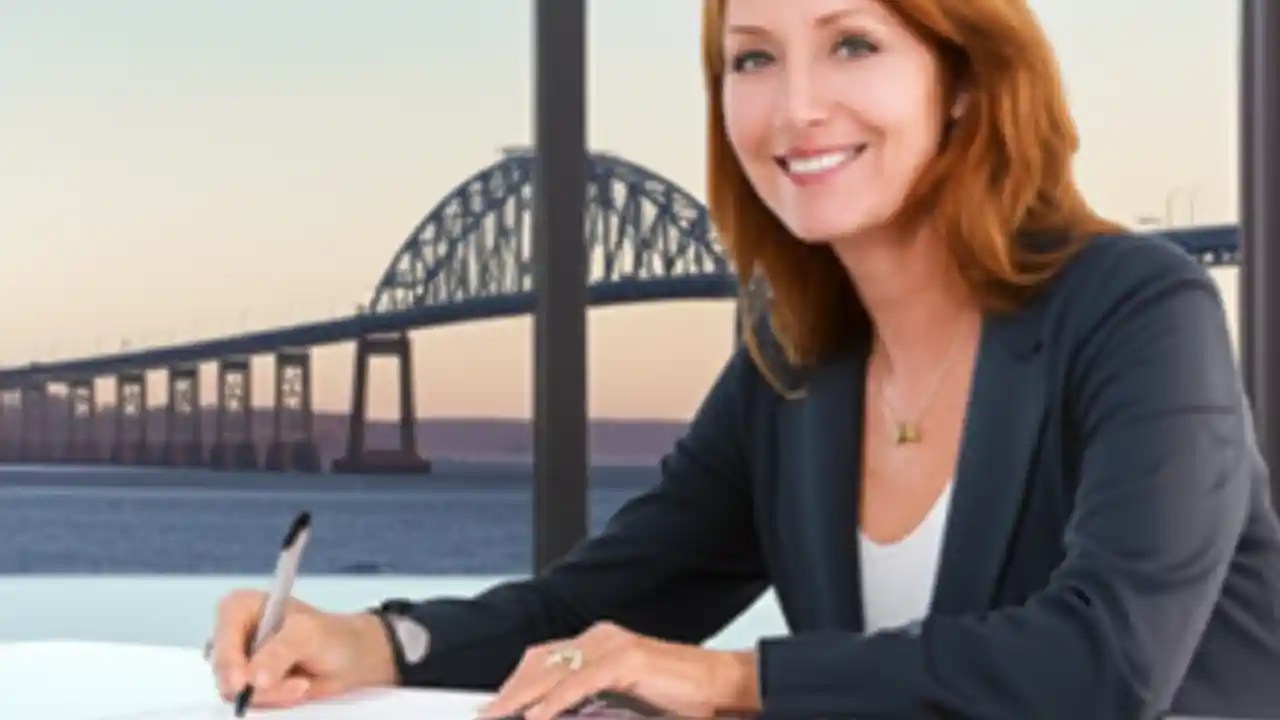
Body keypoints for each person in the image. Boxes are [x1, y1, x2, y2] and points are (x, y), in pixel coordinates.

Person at [208, 0, 1280, 717]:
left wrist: (731, 681)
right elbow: (605, 610)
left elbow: (1103, 663)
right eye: (753, 58)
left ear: (959, 80)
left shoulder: (1140, 309)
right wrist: (378, 642)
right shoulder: (793, 363)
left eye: (851, 43)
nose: (795, 107)